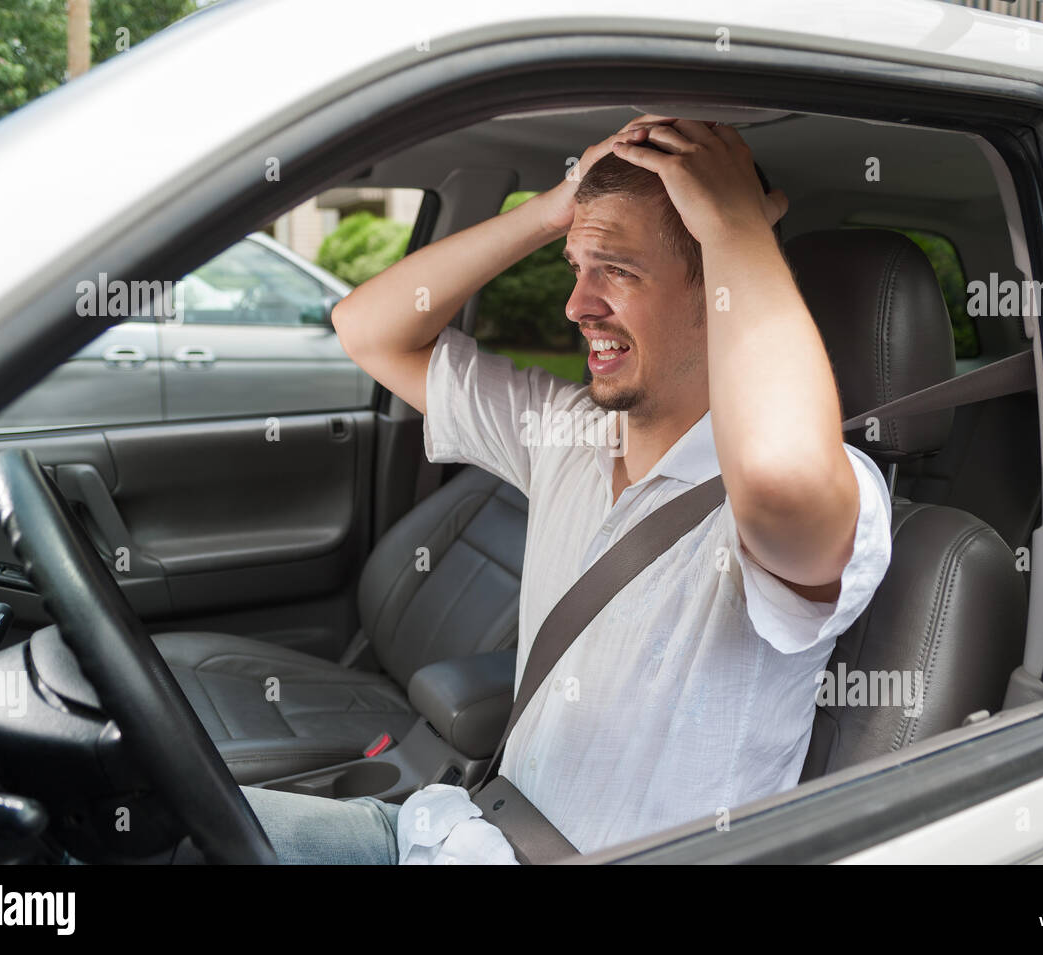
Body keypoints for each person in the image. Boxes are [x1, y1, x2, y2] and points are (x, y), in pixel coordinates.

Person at [240, 115, 893, 864]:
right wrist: (556, 206)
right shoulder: (565, 431)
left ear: (718, 286)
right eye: (575, 267)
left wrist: (735, 224)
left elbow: (779, 474)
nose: (576, 305)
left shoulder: (830, 496)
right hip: (458, 833)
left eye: (615, 269)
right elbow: (367, 330)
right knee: (170, 821)